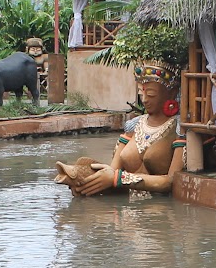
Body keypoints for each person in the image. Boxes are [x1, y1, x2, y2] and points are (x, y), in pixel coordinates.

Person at [55, 61, 185, 197]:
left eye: (151, 94)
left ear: (172, 94)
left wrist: (119, 179)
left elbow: (171, 182)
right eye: (141, 93)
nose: (145, 99)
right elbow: (112, 171)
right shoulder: (133, 125)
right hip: (126, 208)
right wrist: (88, 182)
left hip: (159, 211)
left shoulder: (179, 129)